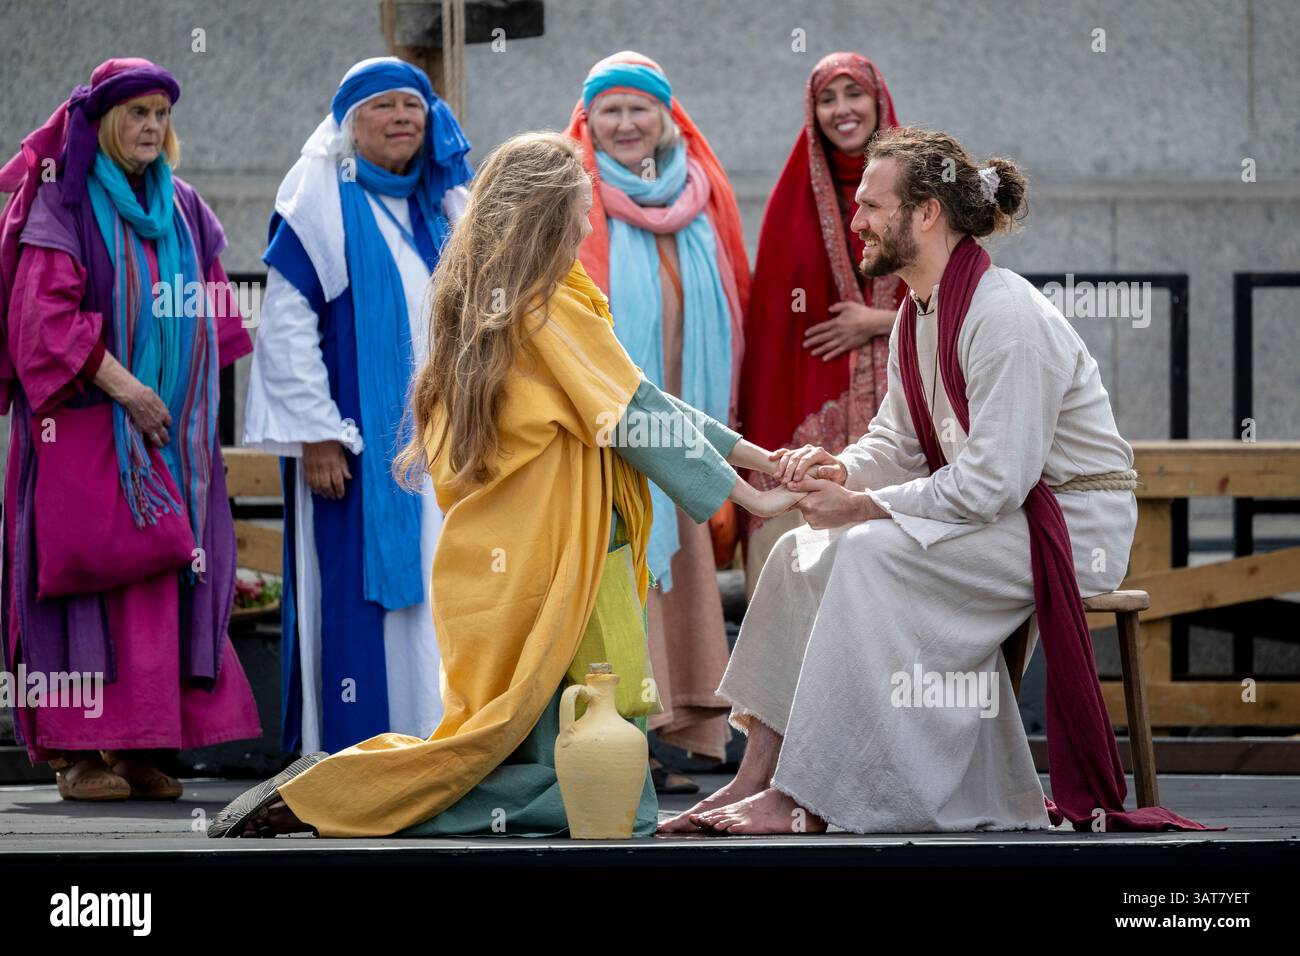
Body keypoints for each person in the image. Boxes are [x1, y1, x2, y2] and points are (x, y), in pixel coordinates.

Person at [208, 131, 800, 839]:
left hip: (498, 568)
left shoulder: (477, 302)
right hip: (571, 561)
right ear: (552, 219)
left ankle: (338, 789)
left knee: (495, 744)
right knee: (609, 796)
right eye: (581, 210)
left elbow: (637, 399)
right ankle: (339, 793)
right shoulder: (550, 306)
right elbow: (637, 414)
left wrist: (757, 458)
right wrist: (751, 493)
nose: (589, 223)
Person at [660, 126, 1214, 835]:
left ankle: (815, 792)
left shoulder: (1006, 315)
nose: (855, 220)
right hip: (1004, 515)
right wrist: (844, 467)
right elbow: (898, 440)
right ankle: (758, 776)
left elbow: (993, 484)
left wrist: (862, 506)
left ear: (925, 214)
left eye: (871, 205)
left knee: (861, 551)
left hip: (1069, 529)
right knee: (802, 554)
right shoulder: (916, 313)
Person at [0, 58, 261, 800]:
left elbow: (216, 319)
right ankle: (73, 755)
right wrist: (127, 392)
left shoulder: (183, 206)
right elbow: (42, 325)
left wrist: (182, 413)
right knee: (81, 587)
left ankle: (141, 746)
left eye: (160, 115)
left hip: (171, 441)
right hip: (82, 436)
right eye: (136, 113)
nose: (151, 127)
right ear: (106, 122)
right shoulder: (66, 201)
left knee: (159, 588)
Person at [242, 57, 473, 755]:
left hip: (445, 449)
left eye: (413, 105)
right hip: (355, 450)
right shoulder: (321, 202)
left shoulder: (448, 205)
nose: (402, 117)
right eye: (383, 107)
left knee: (447, 588)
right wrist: (316, 434)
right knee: (357, 602)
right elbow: (284, 324)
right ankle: (353, 755)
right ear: (348, 126)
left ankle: (437, 747)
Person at [565, 51, 751, 789]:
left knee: (679, 574)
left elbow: (737, 289)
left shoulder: (702, 194)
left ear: (665, 114)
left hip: (685, 421)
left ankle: (677, 737)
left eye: (638, 107)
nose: (625, 122)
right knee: (623, 573)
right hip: (616, 430)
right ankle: (623, 741)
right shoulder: (575, 193)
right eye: (609, 109)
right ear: (590, 121)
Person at [738, 52, 904, 600]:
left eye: (853, 94)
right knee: (805, 553)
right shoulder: (793, 199)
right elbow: (770, 326)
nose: (842, 109)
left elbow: (959, 296)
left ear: (878, 101)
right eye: (826, 99)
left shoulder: (922, 187)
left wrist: (876, 321)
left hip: (906, 391)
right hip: (807, 389)